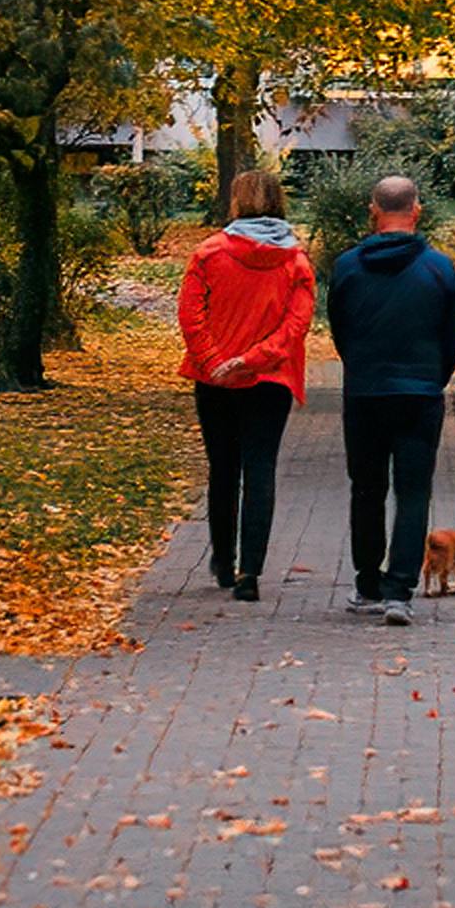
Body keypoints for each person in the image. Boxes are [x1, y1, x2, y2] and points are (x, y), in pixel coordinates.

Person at [325, 172, 455, 626]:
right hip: (420, 393)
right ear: (416, 210)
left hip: (365, 392)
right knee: (413, 491)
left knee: (366, 489)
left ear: (374, 210)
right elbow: (453, 335)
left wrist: (360, 368)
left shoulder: (347, 267)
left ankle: (367, 583)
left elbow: (340, 328)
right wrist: (433, 377)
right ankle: (400, 590)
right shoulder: (439, 269)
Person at [175, 167, 314, 602]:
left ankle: (222, 558)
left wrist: (217, 361)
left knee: (223, 467)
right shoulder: (296, 261)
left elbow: (189, 314)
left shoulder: (209, 253)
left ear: (237, 202)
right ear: (278, 202)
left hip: (213, 378)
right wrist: (254, 359)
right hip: (270, 380)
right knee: (260, 469)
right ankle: (250, 572)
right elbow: (297, 325)